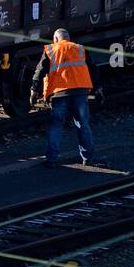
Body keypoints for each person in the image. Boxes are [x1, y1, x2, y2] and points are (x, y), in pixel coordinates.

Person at [30, 29, 102, 166]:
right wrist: (98, 89)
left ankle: (51, 159)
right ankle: (88, 158)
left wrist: (34, 89)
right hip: (80, 93)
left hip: (59, 93)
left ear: (55, 39)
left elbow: (40, 71)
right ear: (68, 38)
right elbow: (93, 69)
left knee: (56, 125)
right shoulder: (80, 49)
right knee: (83, 125)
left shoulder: (51, 50)